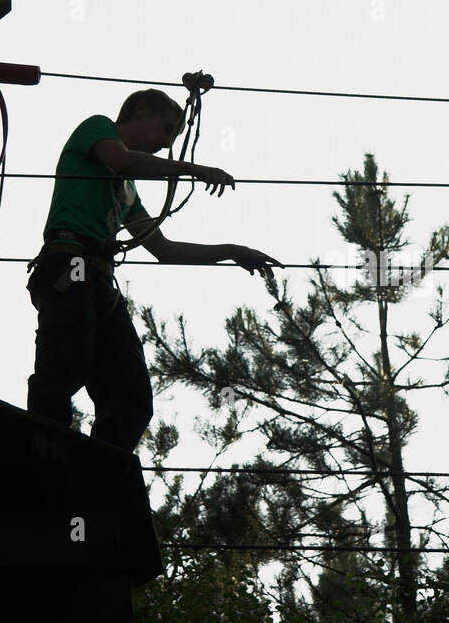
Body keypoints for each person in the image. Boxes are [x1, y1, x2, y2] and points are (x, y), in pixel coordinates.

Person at [26, 87, 281, 453]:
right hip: (68, 261)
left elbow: (162, 248)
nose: (166, 143)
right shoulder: (98, 129)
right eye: (165, 130)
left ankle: (100, 475)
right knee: (67, 362)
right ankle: (42, 452)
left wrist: (231, 251)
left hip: (99, 280)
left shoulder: (126, 190)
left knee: (130, 397)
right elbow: (123, 160)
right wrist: (194, 169)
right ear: (140, 110)